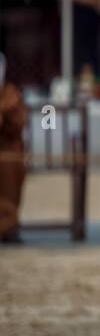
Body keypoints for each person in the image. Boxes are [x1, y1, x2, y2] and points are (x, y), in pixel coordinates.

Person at [0, 52, 26, 244]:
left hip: (6, 149)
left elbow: (18, 124)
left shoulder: (10, 93)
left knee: (9, 166)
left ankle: (7, 226)